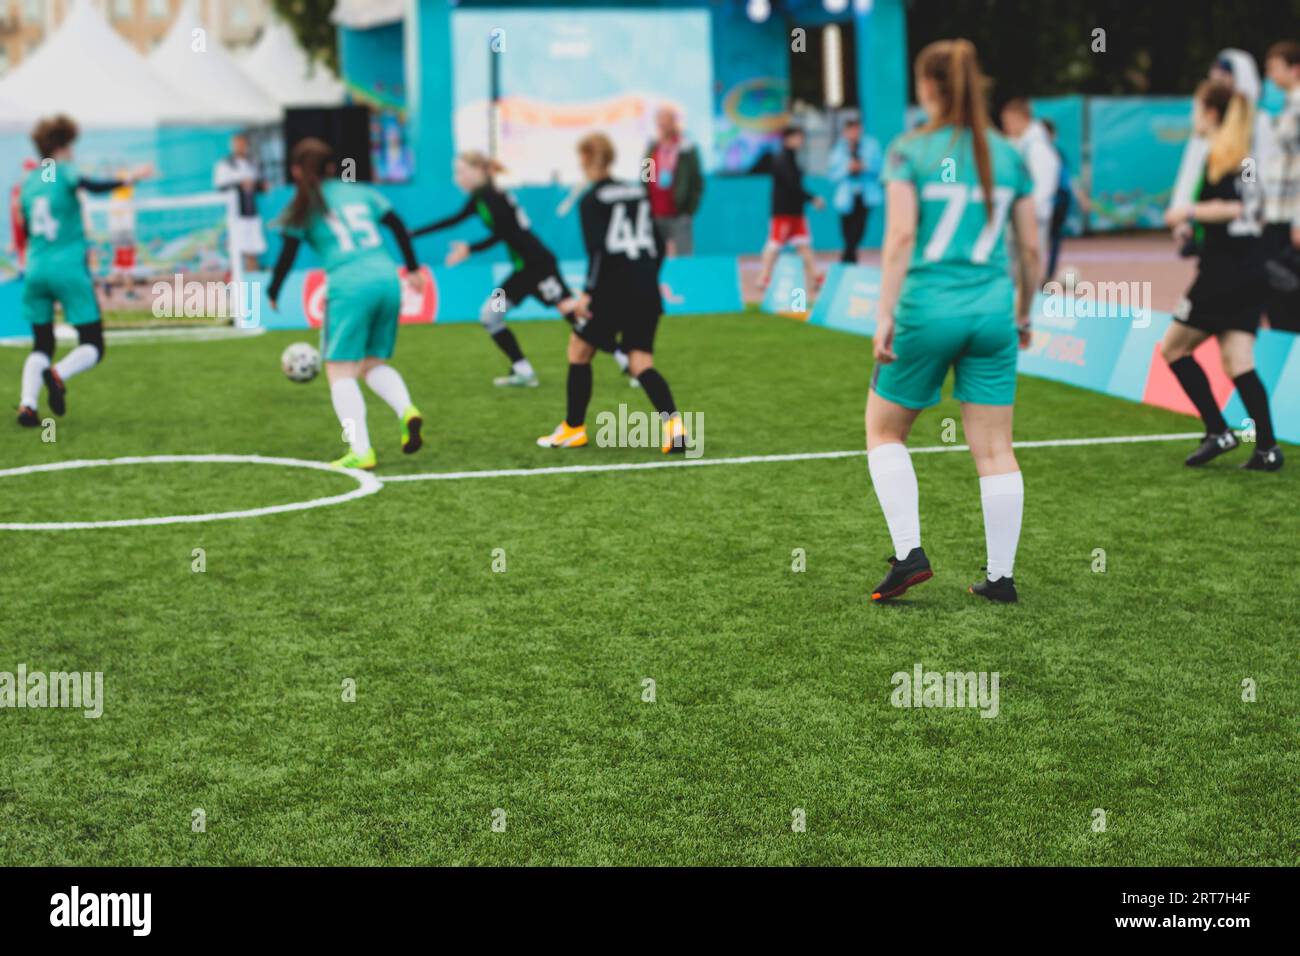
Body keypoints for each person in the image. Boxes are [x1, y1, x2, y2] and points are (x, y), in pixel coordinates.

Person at [866, 39, 1039, 605]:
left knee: (885, 430)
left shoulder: (910, 150)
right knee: (995, 449)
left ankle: (909, 554)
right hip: (993, 311)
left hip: (926, 308)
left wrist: (885, 311)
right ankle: (1000, 577)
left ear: (928, 87)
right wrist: (1024, 311)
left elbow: (899, 238)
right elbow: (1031, 249)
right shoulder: (1008, 152)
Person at [267, 138, 425, 472]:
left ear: (297, 170)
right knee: (371, 363)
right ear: (332, 166)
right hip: (387, 278)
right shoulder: (360, 191)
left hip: (350, 284)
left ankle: (360, 449)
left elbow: (287, 254)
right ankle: (406, 409)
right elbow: (398, 226)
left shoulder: (304, 204)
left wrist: (273, 289)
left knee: (340, 371)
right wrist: (412, 269)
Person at [413, 152, 630, 387]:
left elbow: (504, 233)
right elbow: (453, 220)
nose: (458, 178)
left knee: (574, 316)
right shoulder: (480, 198)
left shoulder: (493, 197)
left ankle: (627, 362)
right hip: (522, 273)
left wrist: (470, 249)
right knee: (491, 315)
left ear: (478, 171)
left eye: (461, 171)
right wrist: (413, 233)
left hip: (539, 267)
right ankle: (523, 370)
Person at [1159, 83, 1283, 472]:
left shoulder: (1227, 157)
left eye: (1197, 108)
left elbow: (1238, 208)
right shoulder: (1240, 157)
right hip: (1248, 270)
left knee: (1174, 349)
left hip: (1224, 273)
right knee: (1238, 360)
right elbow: (1250, 207)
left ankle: (1218, 430)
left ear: (1212, 113)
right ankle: (1266, 448)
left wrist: (1189, 213)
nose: (1194, 116)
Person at [537, 133, 686, 453]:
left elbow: (598, 252)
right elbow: (658, 245)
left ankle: (573, 428)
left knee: (578, 350)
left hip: (614, 290)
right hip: (645, 288)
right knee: (640, 362)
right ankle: (675, 426)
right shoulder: (638, 192)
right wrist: (648, 277)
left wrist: (588, 294)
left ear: (587, 159)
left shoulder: (592, 200)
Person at [14, 115, 152, 428]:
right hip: (67, 269)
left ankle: (27, 405)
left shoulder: (31, 181)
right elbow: (91, 185)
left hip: (35, 269)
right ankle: (59, 374)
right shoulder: (61, 172)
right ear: (62, 147)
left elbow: (23, 226)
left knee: (42, 344)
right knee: (92, 343)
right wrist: (130, 178)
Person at [757, 125, 825, 292]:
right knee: (774, 245)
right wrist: (812, 198)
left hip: (797, 213)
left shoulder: (793, 158)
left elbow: (795, 185)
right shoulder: (781, 159)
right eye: (797, 137)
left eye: (801, 137)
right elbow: (792, 186)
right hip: (783, 213)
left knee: (804, 246)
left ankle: (816, 277)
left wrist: (808, 199)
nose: (801, 141)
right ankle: (763, 277)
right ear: (788, 139)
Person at [1262, 40, 1300, 332]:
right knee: (1277, 294)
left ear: (1295, 69)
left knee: (1287, 296)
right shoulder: (1288, 106)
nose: (1270, 75)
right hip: (1277, 214)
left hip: (1290, 218)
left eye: (1275, 68)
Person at [999, 98, 1059, 278]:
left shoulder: (1037, 148)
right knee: (1015, 268)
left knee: (1028, 266)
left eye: (1008, 122)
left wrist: (1028, 212)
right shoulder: (1020, 146)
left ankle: (1028, 303)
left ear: (1022, 118)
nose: (1006, 127)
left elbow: (1044, 188)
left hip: (1031, 218)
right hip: (1019, 219)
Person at [644, 105, 704, 256]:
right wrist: (646, 201)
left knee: (683, 256)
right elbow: (646, 177)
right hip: (655, 211)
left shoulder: (686, 148)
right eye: (660, 122)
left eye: (666, 121)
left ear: (674, 122)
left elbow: (696, 182)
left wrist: (689, 209)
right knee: (655, 255)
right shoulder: (652, 148)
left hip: (678, 212)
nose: (663, 126)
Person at [827, 114, 883, 264]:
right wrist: (847, 168)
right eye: (850, 130)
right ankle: (849, 258)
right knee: (846, 231)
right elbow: (832, 174)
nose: (854, 134)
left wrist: (865, 167)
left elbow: (880, 168)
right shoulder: (839, 148)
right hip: (846, 197)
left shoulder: (871, 145)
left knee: (858, 230)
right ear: (845, 132)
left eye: (856, 130)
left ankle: (847, 259)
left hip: (865, 195)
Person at [213, 133, 269, 274]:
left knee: (253, 248)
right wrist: (240, 184)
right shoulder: (224, 164)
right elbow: (221, 187)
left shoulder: (253, 163)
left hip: (252, 212)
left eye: (242, 144)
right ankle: (235, 281)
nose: (240, 147)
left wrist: (258, 186)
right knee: (236, 250)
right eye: (237, 144)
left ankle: (253, 278)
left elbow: (260, 184)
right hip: (236, 214)